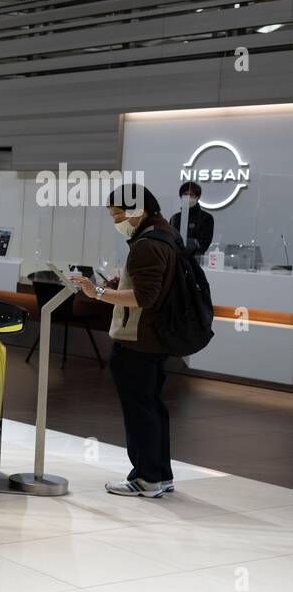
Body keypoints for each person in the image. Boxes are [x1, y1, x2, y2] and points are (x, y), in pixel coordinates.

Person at [69, 185, 178, 499]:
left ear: (137, 211)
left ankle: (145, 477)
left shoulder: (147, 244)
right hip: (154, 338)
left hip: (137, 340)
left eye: (118, 214)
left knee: (139, 409)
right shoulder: (166, 235)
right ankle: (159, 475)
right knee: (152, 407)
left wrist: (98, 292)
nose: (116, 221)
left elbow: (144, 297)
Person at [170, 181, 214, 259]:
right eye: (185, 194)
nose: (188, 197)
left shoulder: (206, 218)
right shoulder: (175, 218)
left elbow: (204, 244)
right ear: (181, 196)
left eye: (191, 195)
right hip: (175, 259)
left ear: (197, 197)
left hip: (195, 260)